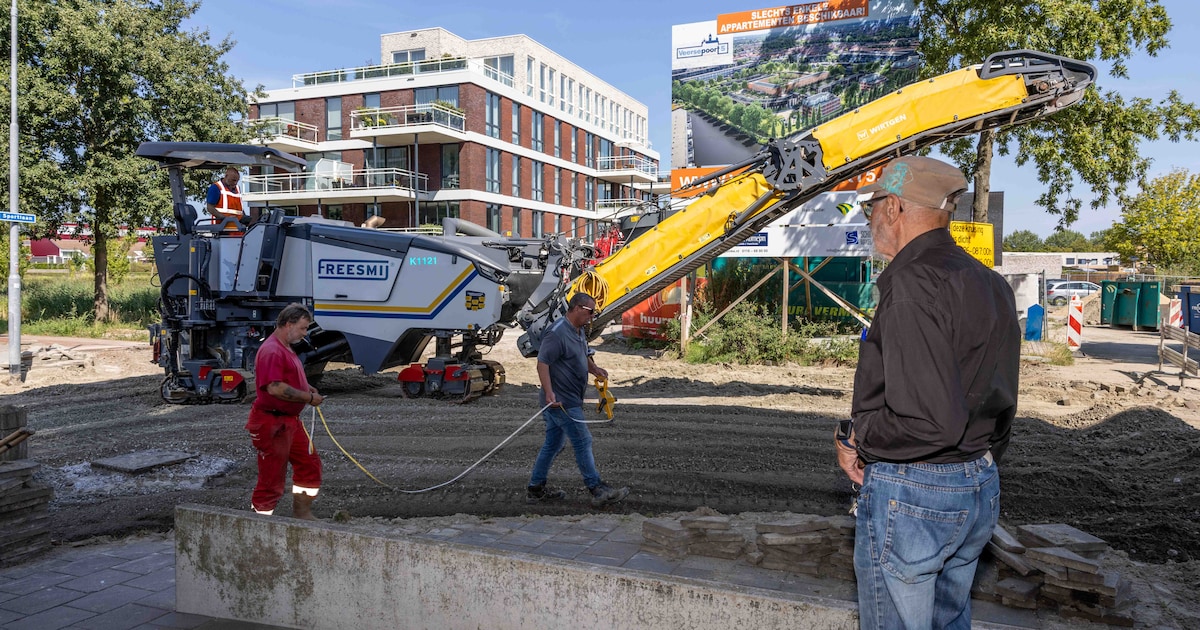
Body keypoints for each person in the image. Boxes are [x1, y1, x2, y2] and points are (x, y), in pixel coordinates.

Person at [836, 156, 1020, 629]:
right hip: (978, 484)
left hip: (917, 495)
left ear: (893, 206)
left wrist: (863, 441)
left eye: (870, 208)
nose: (870, 219)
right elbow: (998, 400)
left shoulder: (912, 281)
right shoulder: (989, 282)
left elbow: (930, 421)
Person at [527, 293, 629, 507]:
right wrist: (548, 393)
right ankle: (597, 488)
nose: (592, 316)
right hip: (560, 402)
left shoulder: (578, 331)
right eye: (590, 311)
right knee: (583, 441)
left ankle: (535, 488)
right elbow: (542, 364)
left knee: (553, 445)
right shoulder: (556, 333)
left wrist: (595, 370)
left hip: (569, 399)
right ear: (577, 308)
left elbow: (583, 355)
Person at [247, 303, 324, 519]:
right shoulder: (272, 350)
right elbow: (275, 387)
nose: (304, 333)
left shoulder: (285, 347)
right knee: (272, 478)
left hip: (289, 421)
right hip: (272, 422)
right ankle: (259, 523)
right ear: (288, 324)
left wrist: (305, 387)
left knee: (309, 465)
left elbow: (285, 378)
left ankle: (302, 514)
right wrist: (308, 397)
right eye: (302, 328)